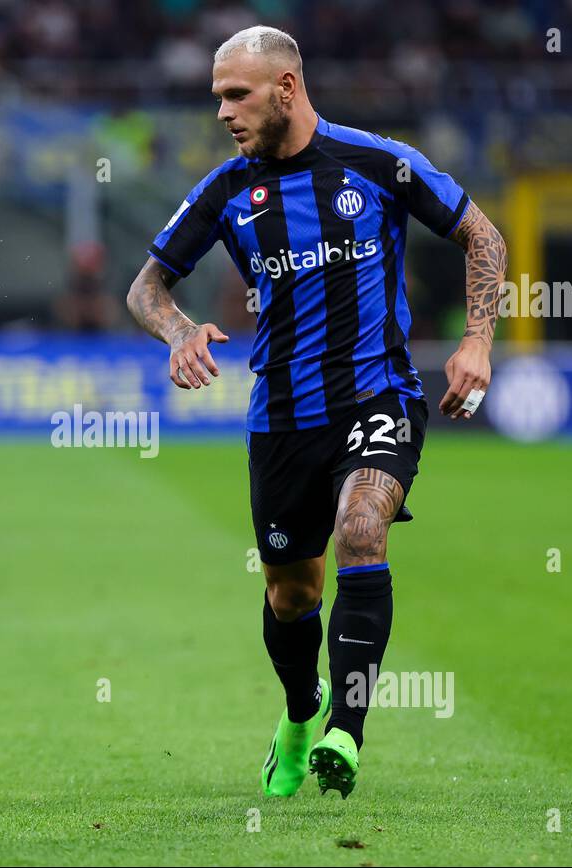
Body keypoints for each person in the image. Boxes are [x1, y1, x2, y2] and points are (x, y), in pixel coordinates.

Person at [125, 25, 506, 799]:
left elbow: (482, 237)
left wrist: (476, 341)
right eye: (217, 98)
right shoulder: (228, 190)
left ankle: (347, 733)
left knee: (361, 532)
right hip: (282, 420)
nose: (225, 113)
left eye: (238, 95)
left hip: (379, 397)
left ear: (287, 88)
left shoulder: (379, 163)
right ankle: (304, 712)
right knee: (291, 593)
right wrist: (179, 331)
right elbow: (145, 289)